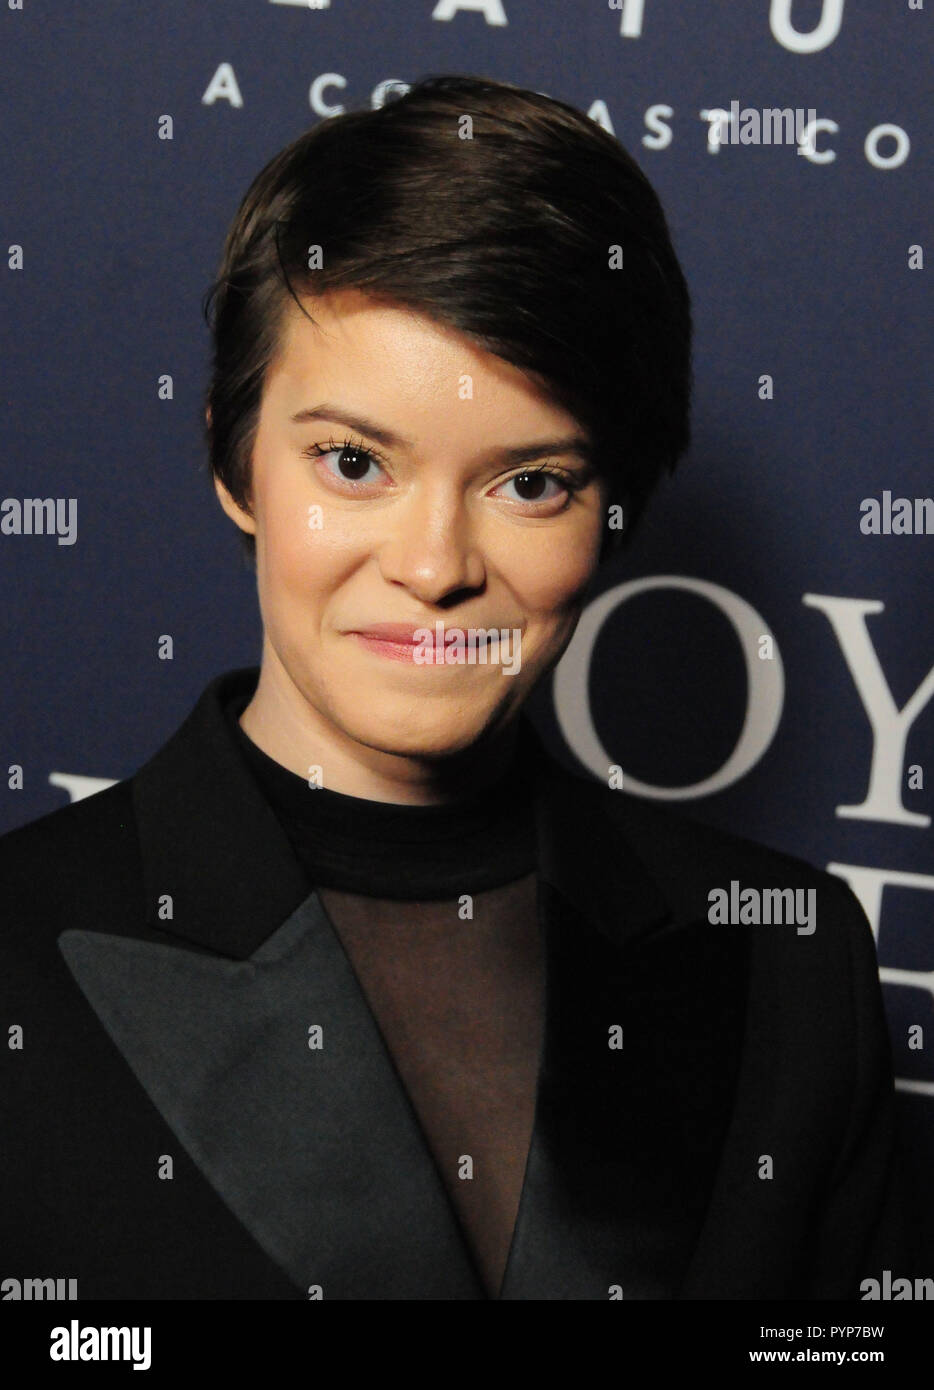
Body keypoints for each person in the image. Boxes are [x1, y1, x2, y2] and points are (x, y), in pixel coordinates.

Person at [0, 73, 910, 1301]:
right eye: (354, 461)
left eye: (530, 482)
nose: (434, 568)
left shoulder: (792, 965)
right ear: (233, 460)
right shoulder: (19, 949)